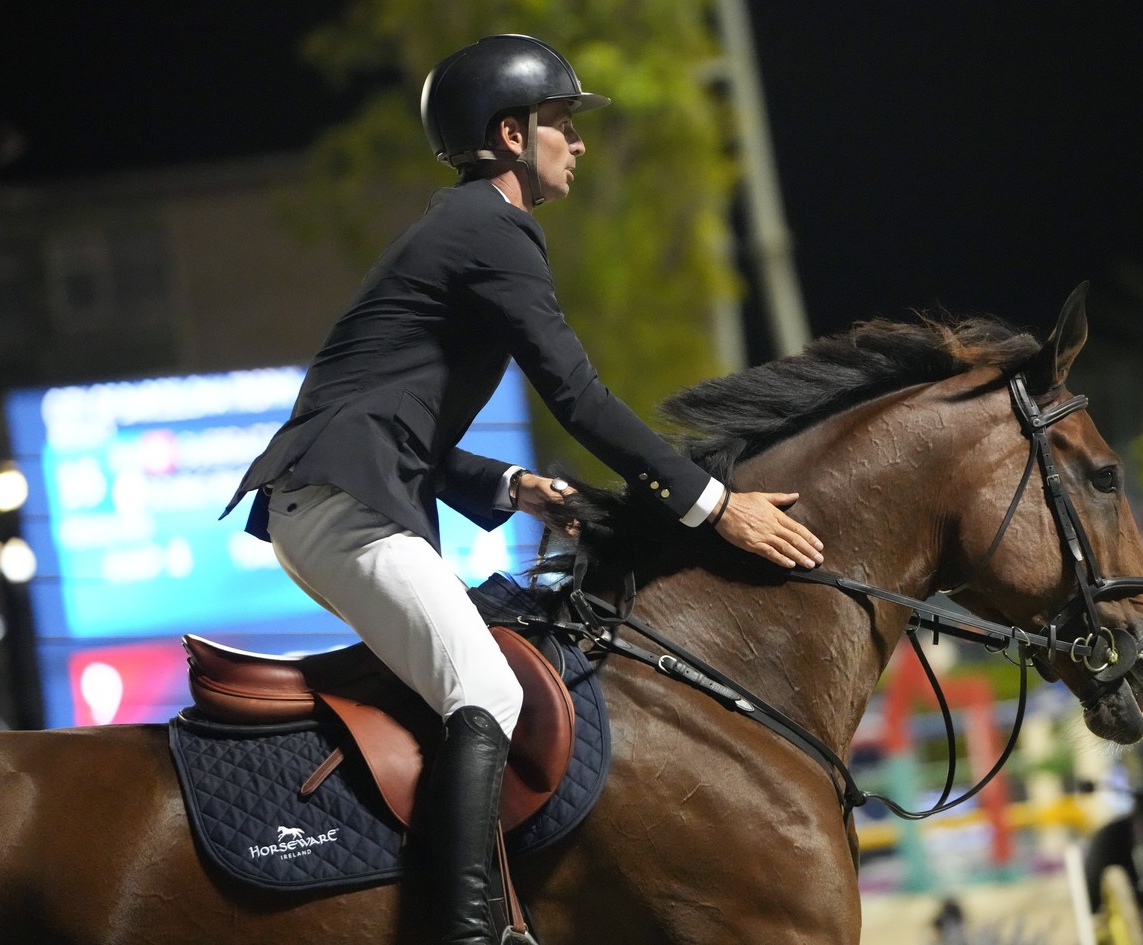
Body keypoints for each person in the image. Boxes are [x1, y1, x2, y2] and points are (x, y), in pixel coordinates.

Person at [220, 33, 823, 945]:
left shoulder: (465, 227)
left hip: (341, 494)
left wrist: (509, 482)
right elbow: (577, 395)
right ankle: (470, 933)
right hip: (343, 505)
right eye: (562, 124)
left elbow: (383, 413)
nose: (576, 143)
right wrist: (714, 504)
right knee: (487, 692)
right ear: (510, 133)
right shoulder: (490, 230)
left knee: (467, 688)